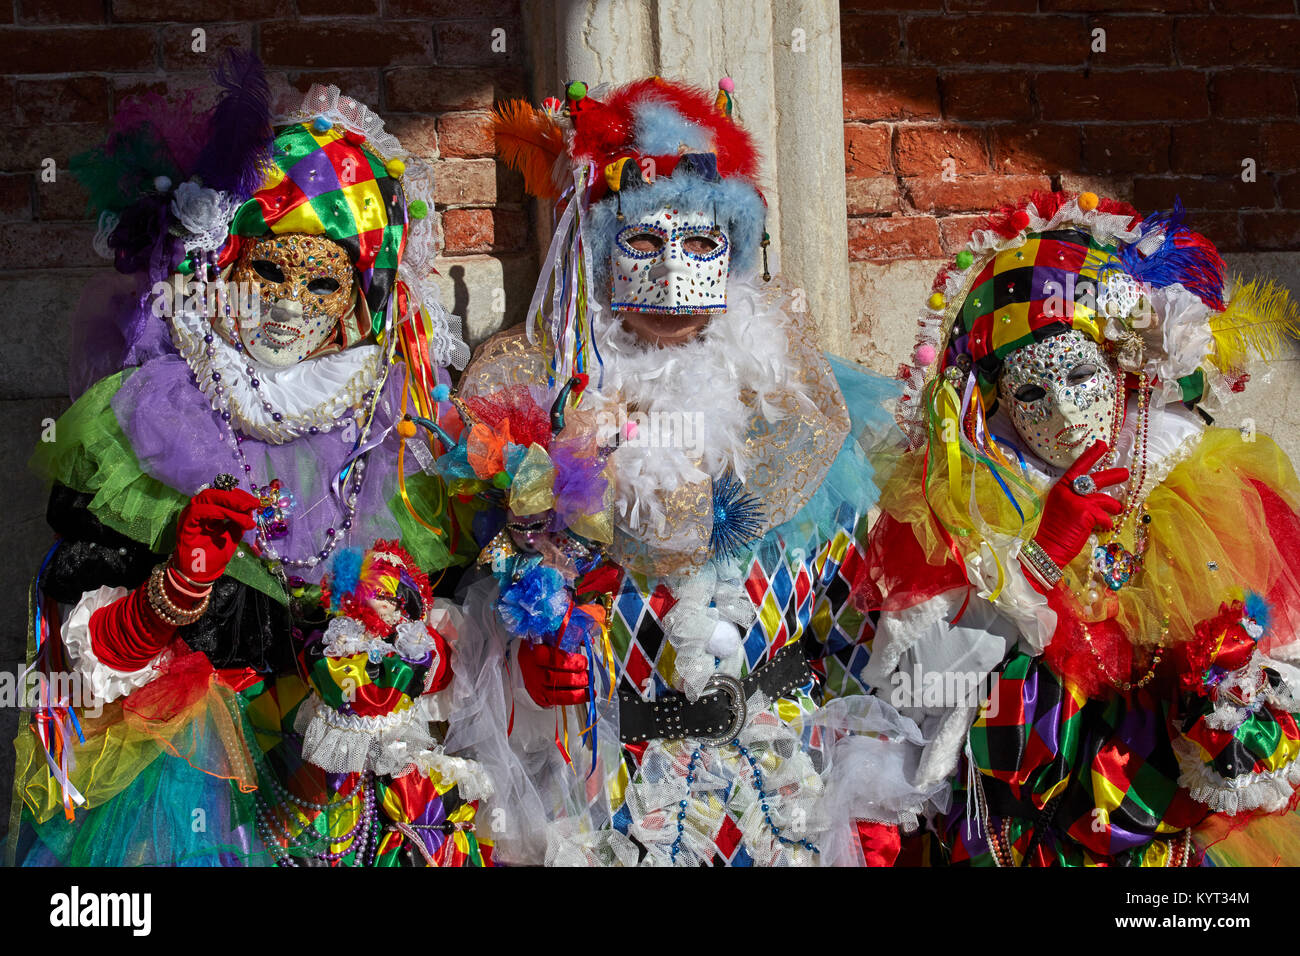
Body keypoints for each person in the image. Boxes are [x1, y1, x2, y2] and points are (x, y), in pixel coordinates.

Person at [7, 55, 493, 867]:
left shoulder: (399, 435)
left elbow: (458, 636)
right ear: (222, 265)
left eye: (323, 283)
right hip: (187, 800)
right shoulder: (154, 420)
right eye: (267, 269)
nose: (287, 304)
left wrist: (405, 658)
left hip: (350, 801)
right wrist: (176, 590)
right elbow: (79, 671)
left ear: (364, 295)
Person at [455, 77, 912, 866]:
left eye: (701, 247)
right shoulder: (541, 405)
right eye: (642, 244)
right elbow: (487, 619)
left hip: (781, 796)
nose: (671, 279)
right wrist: (527, 660)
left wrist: (863, 785)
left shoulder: (797, 406)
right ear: (597, 252)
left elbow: (848, 619)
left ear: (734, 255)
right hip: (617, 793)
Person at [858, 189, 1300, 866]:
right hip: (1010, 834)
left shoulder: (1203, 488)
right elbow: (914, 698)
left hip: (1162, 838)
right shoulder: (961, 505)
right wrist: (1037, 556)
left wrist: (1229, 698)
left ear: (1123, 373)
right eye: (1032, 391)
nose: (1064, 411)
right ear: (999, 400)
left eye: (1079, 374)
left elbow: (1281, 681)